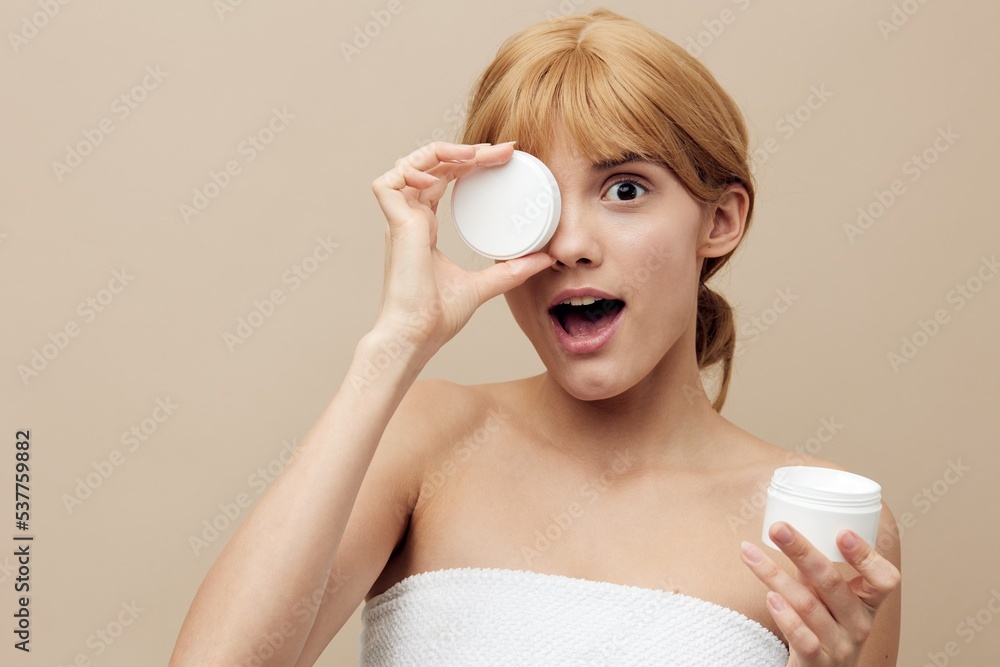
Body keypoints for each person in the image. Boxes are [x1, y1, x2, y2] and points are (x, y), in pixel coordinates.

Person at [170, 8, 901, 666]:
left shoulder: (815, 526)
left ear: (719, 220)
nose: (572, 244)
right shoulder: (425, 441)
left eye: (624, 189)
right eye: (536, 201)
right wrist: (394, 343)